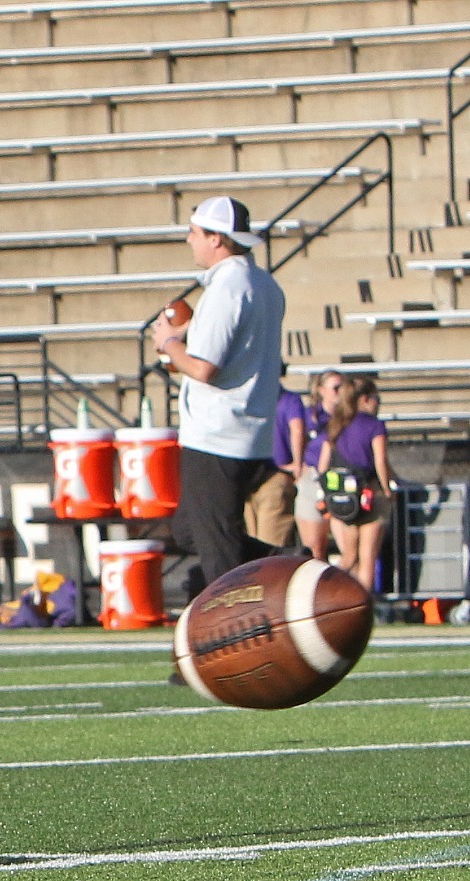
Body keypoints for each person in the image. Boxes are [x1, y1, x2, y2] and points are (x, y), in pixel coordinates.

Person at [151, 196, 288, 591]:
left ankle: (235, 623)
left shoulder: (229, 287)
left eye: (195, 233)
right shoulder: (263, 283)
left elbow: (203, 368)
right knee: (191, 530)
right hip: (248, 430)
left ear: (217, 239)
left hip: (218, 435)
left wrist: (169, 343)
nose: (189, 240)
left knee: (218, 551)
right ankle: (287, 562)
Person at [313, 375, 393, 593]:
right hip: (369, 492)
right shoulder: (374, 425)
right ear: (365, 399)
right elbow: (380, 461)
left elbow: (323, 465)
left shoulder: (337, 424)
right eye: (376, 398)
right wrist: (387, 489)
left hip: (344, 496)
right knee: (367, 556)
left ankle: (325, 587)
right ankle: (364, 605)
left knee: (349, 555)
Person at [292, 371, 342, 560]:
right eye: (335, 388)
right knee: (315, 546)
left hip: (340, 478)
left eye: (343, 388)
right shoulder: (310, 416)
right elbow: (295, 438)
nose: (340, 392)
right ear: (321, 390)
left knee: (347, 546)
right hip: (314, 478)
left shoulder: (348, 417)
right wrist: (296, 465)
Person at [246, 386, 301, 549]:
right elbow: (297, 428)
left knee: (253, 546)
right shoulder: (289, 400)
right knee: (270, 548)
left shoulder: (250, 398)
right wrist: (297, 462)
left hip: (250, 475)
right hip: (276, 474)